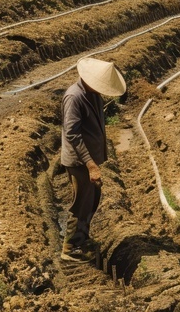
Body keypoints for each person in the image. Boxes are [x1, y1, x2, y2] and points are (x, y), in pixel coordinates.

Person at [60, 57, 127, 262]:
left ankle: (82, 239)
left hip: (90, 161)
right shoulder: (74, 97)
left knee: (92, 200)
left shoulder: (93, 94)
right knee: (81, 203)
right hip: (80, 161)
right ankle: (70, 248)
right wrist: (90, 164)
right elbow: (72, 134)